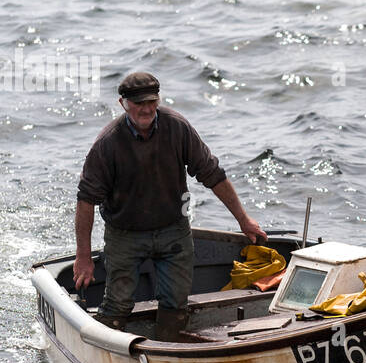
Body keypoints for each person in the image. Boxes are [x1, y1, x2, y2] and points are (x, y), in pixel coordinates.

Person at [72, 71, 267, 340]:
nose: (147, 109)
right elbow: (86, 201)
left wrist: (243, 220)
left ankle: (168, 350)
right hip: (124, 234)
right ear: (123, 104)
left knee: (176, 306)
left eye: (152, 102)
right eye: (139, 103)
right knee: (116, 307)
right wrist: (83, 256)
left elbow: (212, 174)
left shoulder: (177, 127)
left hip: (172, 230)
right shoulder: (108, 144)